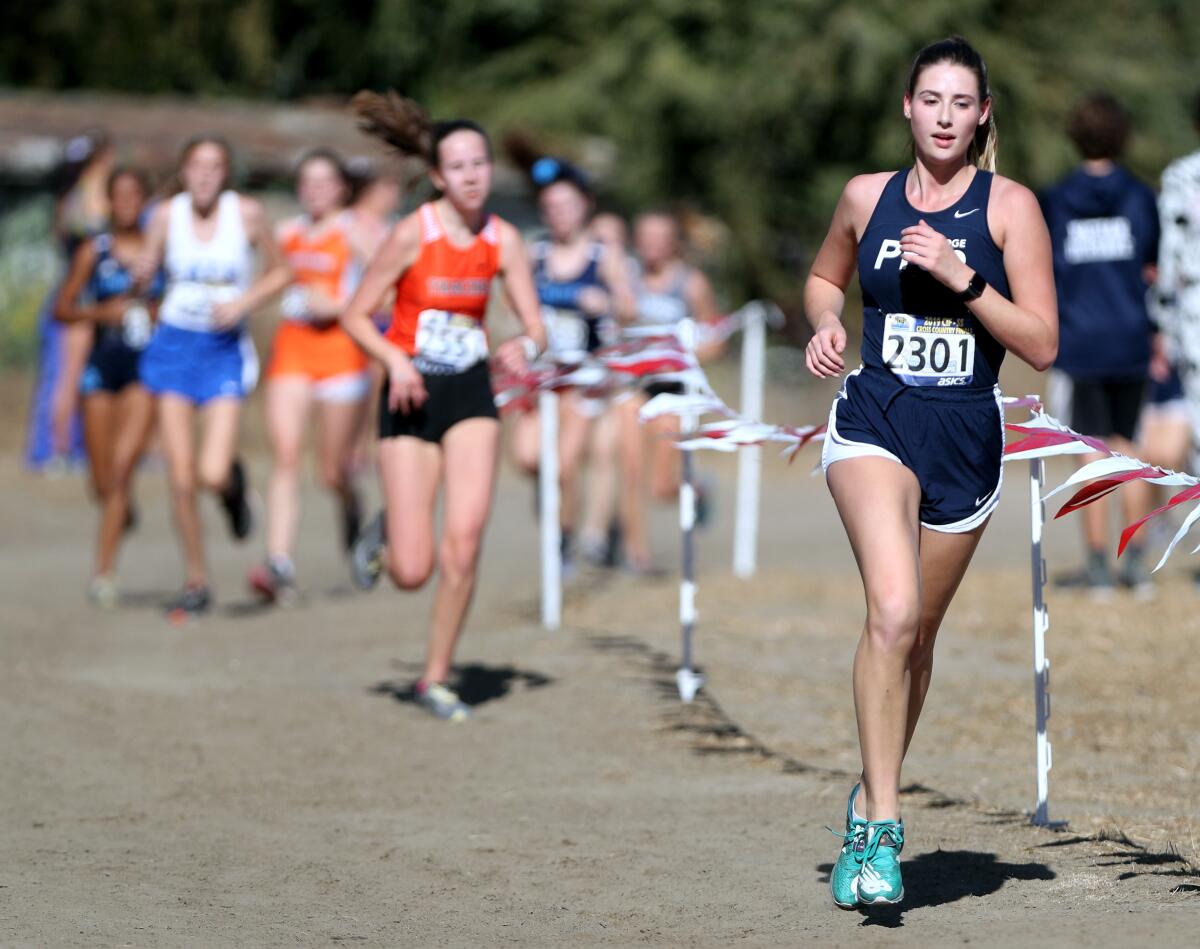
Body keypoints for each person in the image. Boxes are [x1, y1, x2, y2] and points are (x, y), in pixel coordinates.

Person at [804, 36, 1057, 907]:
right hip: (875, 416)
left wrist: (963, 279)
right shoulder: (864, 196)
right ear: (905, 107)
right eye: (930, 100)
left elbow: (1042, 345)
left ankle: (867, 790)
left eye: (961, 103)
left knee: (916, 642)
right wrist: (825, 321)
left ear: (982, 114)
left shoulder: (1011, 208)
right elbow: (821, 276)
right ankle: (881, 827)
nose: (944, 116)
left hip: (966, 434)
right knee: (894, 611)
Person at [341, 91, 546, 722]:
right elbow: (354, 315)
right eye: (458, 167)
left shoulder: (503, 238)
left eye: (480, 163)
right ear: (437, 176)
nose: (473, 175)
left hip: (470, 395)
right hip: (409, 397)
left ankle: (435, 677)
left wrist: (525, 347)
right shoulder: (413, 233)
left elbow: (537, 328)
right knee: (411, 569)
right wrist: (395, 361)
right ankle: (385, 533)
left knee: (463, 543)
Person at [136, 135, 291, 616]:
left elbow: (282, 272)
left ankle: (234, 490)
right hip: (174, 346)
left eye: (215, 167)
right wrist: (142, 274)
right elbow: (147, 274)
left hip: (223, 350)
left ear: (226, 173)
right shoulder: (166, 217)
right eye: (196, 166)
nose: (204, 175)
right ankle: (196, 580)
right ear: (183, 171)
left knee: (210, 471)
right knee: (180, 479)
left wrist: (242, 303)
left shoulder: (246, 214)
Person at [1041, 92, 1161, 596]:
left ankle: (1096, 568)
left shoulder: (1057, 198)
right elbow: (1152, 265)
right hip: (1131, 337)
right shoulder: (1139, 196)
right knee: (1128, 448)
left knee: (1090, 452)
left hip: (1080, 341)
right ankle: (1133, 561)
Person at [247, 149, 373, 604]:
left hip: (342, 356)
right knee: (285, 457)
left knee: (332, 471)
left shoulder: (356, 232)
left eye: (325, 182)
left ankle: (351, 506)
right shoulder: (287, 233)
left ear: (341, 188)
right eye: (308, 182)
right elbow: (269, 281)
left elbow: (387, 291)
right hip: (294, 352)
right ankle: (279, 563)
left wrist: (339, 304)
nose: (316, 190)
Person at [509, 157, 633, 575]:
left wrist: (609, 304)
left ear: (584, 207)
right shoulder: (536, 252)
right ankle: (559, 513)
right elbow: (516, 303)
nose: (559, 214)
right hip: (543, 376)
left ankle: (564, 543)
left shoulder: (604, 254)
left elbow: (629, 308)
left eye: (567, 205)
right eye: (551, 207)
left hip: (586, 377)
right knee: (527, 458)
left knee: (565, 464)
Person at [54, 166, 164, 606]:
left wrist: (155, 312)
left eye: (134, 195)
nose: (125, 203)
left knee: (121, 471)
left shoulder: (160, 252)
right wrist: (103, 314)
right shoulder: (92, 251)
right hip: (101, 367)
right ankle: (121, 510)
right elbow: (61, 309)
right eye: (117, 196)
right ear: (109, 202)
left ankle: (104, 574)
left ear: (144, 200)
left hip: (145, 368)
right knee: (102, 482)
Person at [617, 210, 723, 574]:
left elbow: (716, 340)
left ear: (673, 241)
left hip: (675, 391)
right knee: (630, 469)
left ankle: (697, 489)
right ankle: (636, 553)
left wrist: (681, 354)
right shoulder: (627, 281)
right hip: (636, 388)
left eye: (660, 236)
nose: (651, 244)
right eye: (645, 236)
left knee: (661, 486)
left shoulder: (691, 284)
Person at [26, 130, 113, 473]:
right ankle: (59, 449)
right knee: (69, 376)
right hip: (80, 297)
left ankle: (63, 447)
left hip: (71, 293)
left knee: (66, 375)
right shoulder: (89, 199)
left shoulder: (66, 200)